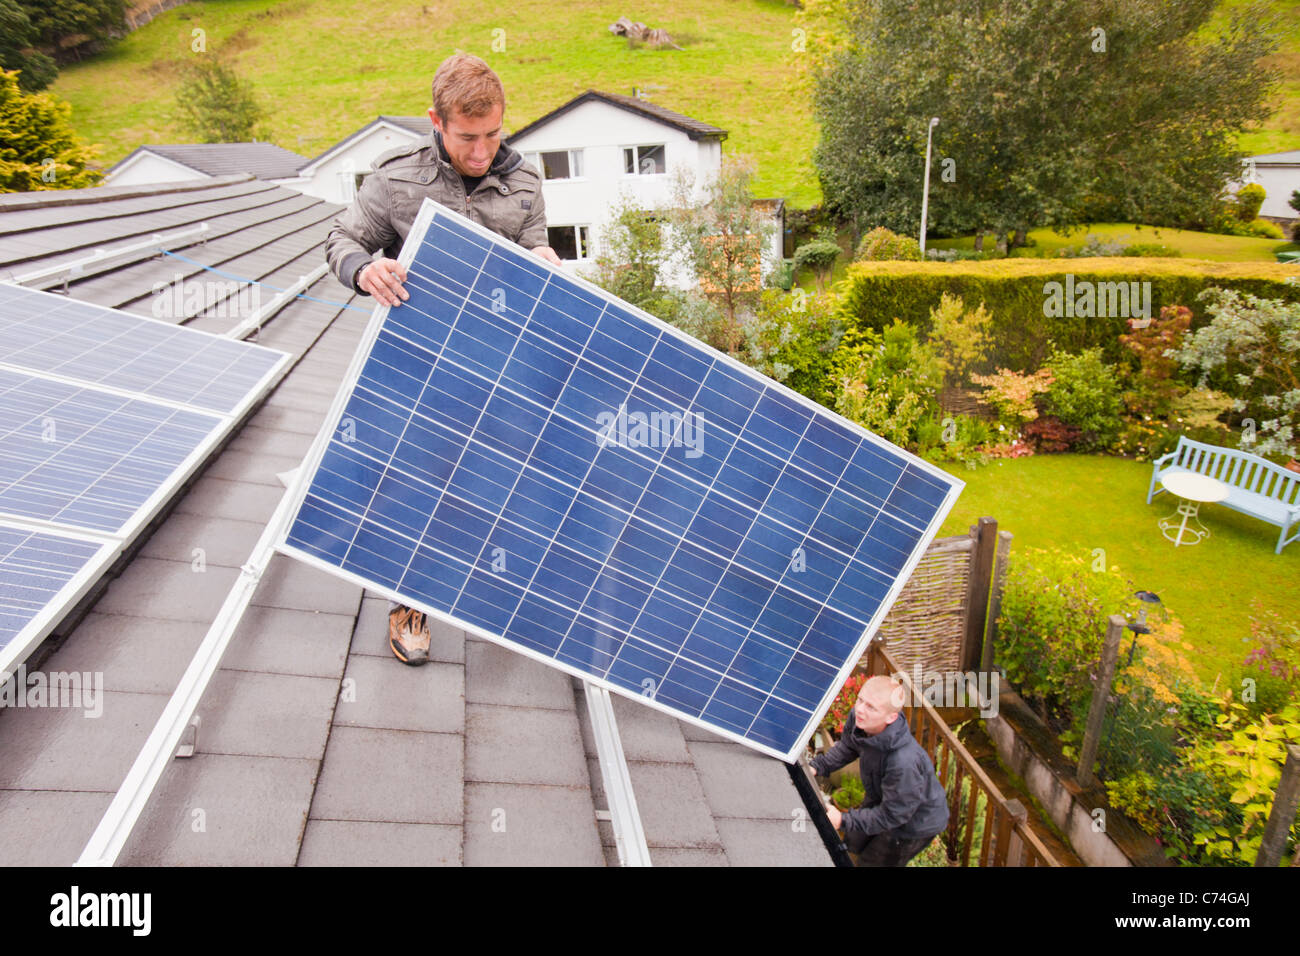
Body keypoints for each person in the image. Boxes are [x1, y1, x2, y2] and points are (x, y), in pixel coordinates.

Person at [324, 53, 561, 665]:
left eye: (493, 135)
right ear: (436, 121)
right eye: (466, 138)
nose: (482, 151)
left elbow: (536, 246)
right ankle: (410, 599)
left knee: (498, 479)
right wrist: (365, 267)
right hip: (419, 363)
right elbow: (341, 239)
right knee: (418, 480)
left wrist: (544, 260)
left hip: (496, 362)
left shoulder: (527, 184)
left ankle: (499, 589)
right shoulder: (394, 179)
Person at [809, 675, 949, 866]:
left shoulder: (903, 762)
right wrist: (817, 767)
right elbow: (849, 746)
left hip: (911, 824)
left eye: (871, 707)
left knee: (873, 861)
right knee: (853, 843)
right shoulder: (860, 720)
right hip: (882, 799)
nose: (860, 709)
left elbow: (891, 815)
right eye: (860, 700)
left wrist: (842, 819)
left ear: (891, 717)